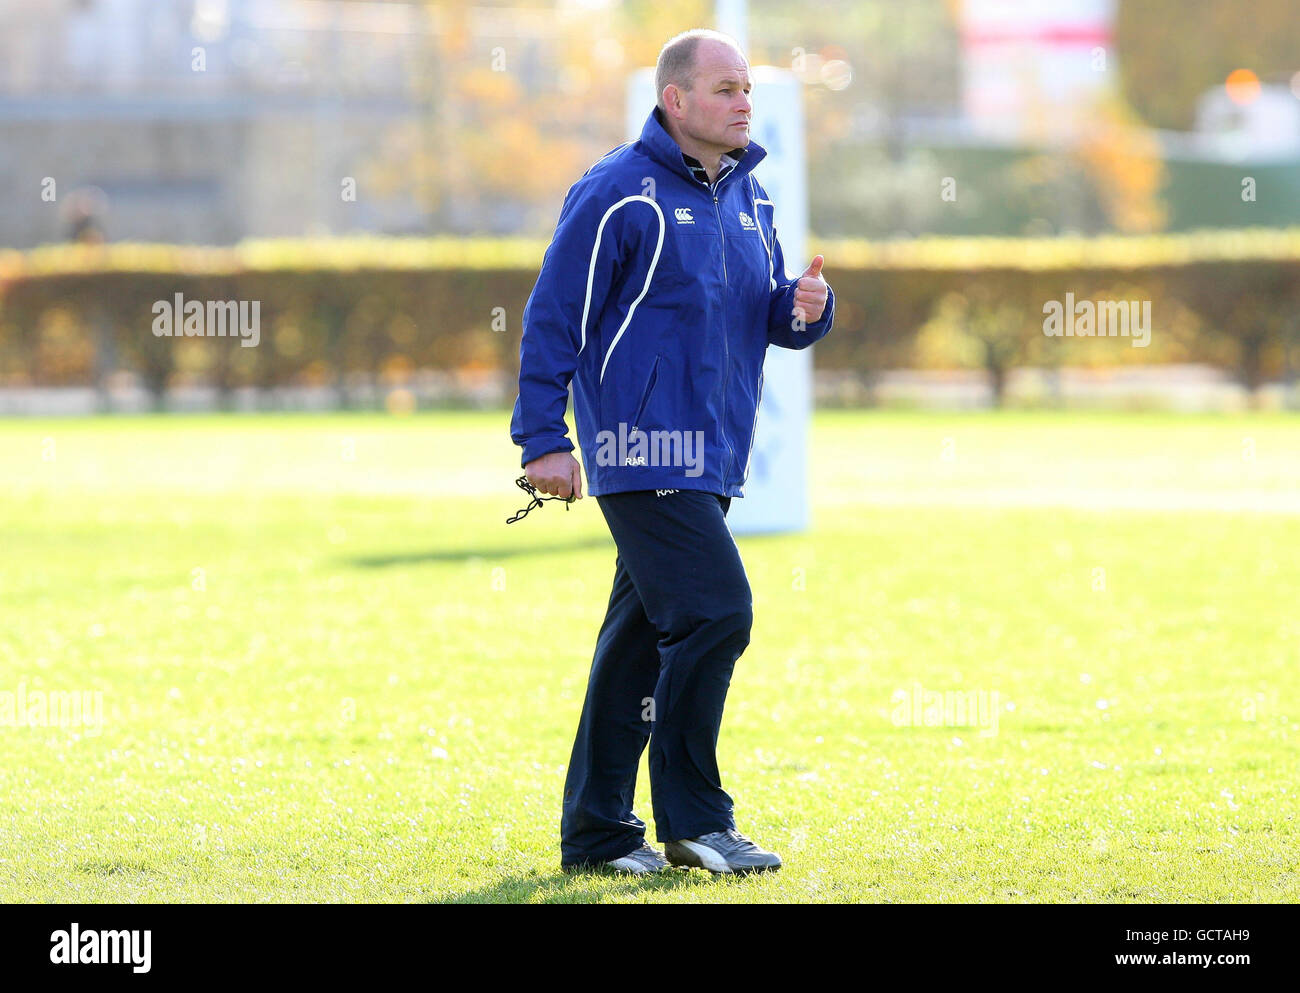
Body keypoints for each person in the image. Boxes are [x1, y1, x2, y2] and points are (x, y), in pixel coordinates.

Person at [510, 28, 834, 875]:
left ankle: (597, 832)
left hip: (715, 449)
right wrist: (545, 437)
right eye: (724, 89)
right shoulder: (618, 191)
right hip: (641, 447)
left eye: (747, 91)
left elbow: (761, 317)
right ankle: (696, 821)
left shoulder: (752, 195)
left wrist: (803, 308)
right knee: (716, 612)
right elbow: (553, 317)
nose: (742, 104)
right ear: (675, 100)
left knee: (637, 642)